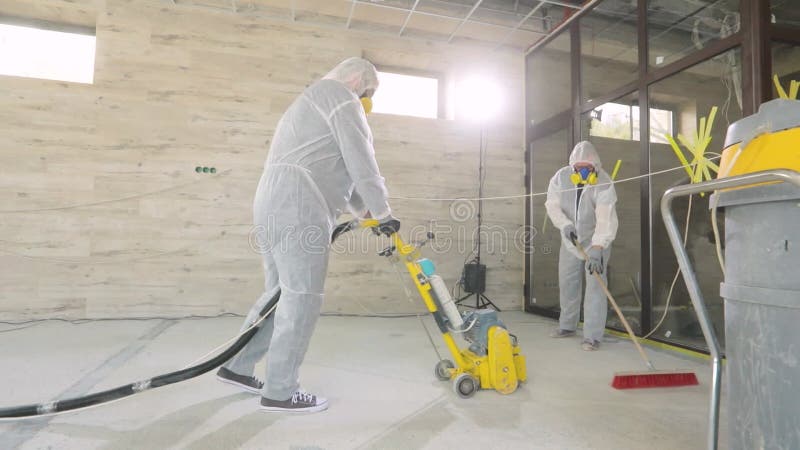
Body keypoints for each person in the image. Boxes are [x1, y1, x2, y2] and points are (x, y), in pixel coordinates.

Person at [215, 57, 400, 413]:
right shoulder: (341, 96)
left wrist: (366, 211)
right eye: (368, 92)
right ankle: (280, 391)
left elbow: (338, 166)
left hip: (273, 199)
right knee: (302, 297)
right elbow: (361, 160)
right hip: (299, 204)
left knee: (279, 293)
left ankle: (236, 366)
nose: (367, 101)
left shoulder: (313, 100)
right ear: (357, 79)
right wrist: (383, 212)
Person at [545, 141, 618, 351]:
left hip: (596, 240)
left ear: (595, 166)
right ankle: (567, 326)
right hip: (571, 240)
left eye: (588, 168)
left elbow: (605, 218)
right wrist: (564, 225)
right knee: (568, 282)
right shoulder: (561, 178)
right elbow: (552, 205)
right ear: (573, 167)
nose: (584, 172)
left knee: (596, 287)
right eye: (579, 168)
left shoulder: (603, 182)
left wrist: (598, 247)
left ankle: (592, 336)